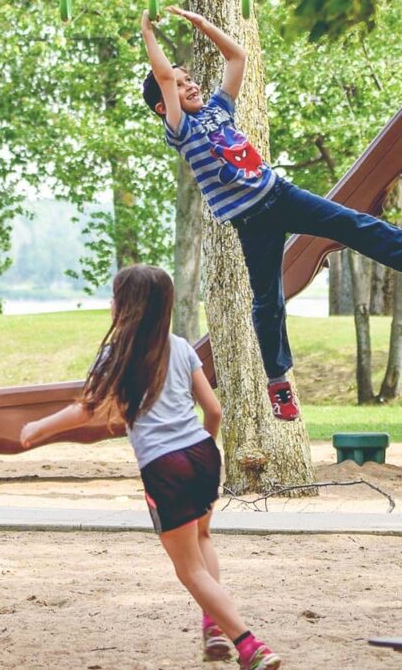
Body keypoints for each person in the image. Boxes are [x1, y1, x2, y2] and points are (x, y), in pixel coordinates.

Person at [139, 7, 402, 421]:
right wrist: (148, 32)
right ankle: (278, 382)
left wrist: (203, 25)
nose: (188, 85)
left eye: (189, 78)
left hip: (280, 194)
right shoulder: (181, 130)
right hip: (251, 220)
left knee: (349, 222)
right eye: (178, 85)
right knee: (269, 299)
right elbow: (160, 76)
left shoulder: (218, 110)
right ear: (164, 107)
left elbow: (237, 59)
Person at [19, 265, 283, 669]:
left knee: (188, 569)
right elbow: (213, 410)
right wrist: (203, 449)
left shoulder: (118, 354)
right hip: (201, 452)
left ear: (126, 307)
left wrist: (38, 428)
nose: (110, 305)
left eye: (114, 298)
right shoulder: (181, 346)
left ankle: (250, 646)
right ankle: (213, 625)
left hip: (167, 465)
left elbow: (86, 409)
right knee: (203, 539)